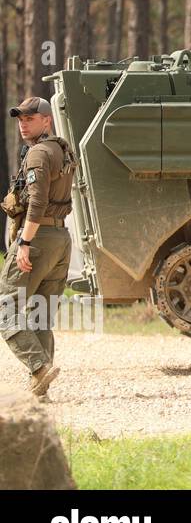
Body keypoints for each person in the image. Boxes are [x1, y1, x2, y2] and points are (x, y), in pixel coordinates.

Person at [1, 97, 76, 399]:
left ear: (47, 120)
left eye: (30, 119)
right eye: (20, 119)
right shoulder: (61, 149)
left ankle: (39, 368)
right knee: (41, 314)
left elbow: (37, 202)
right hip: (60, 240)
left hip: (38, 240)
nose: (23, 124)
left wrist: (25, 242)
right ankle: (40, 388)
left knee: (6, 308)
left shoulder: (38, 155)